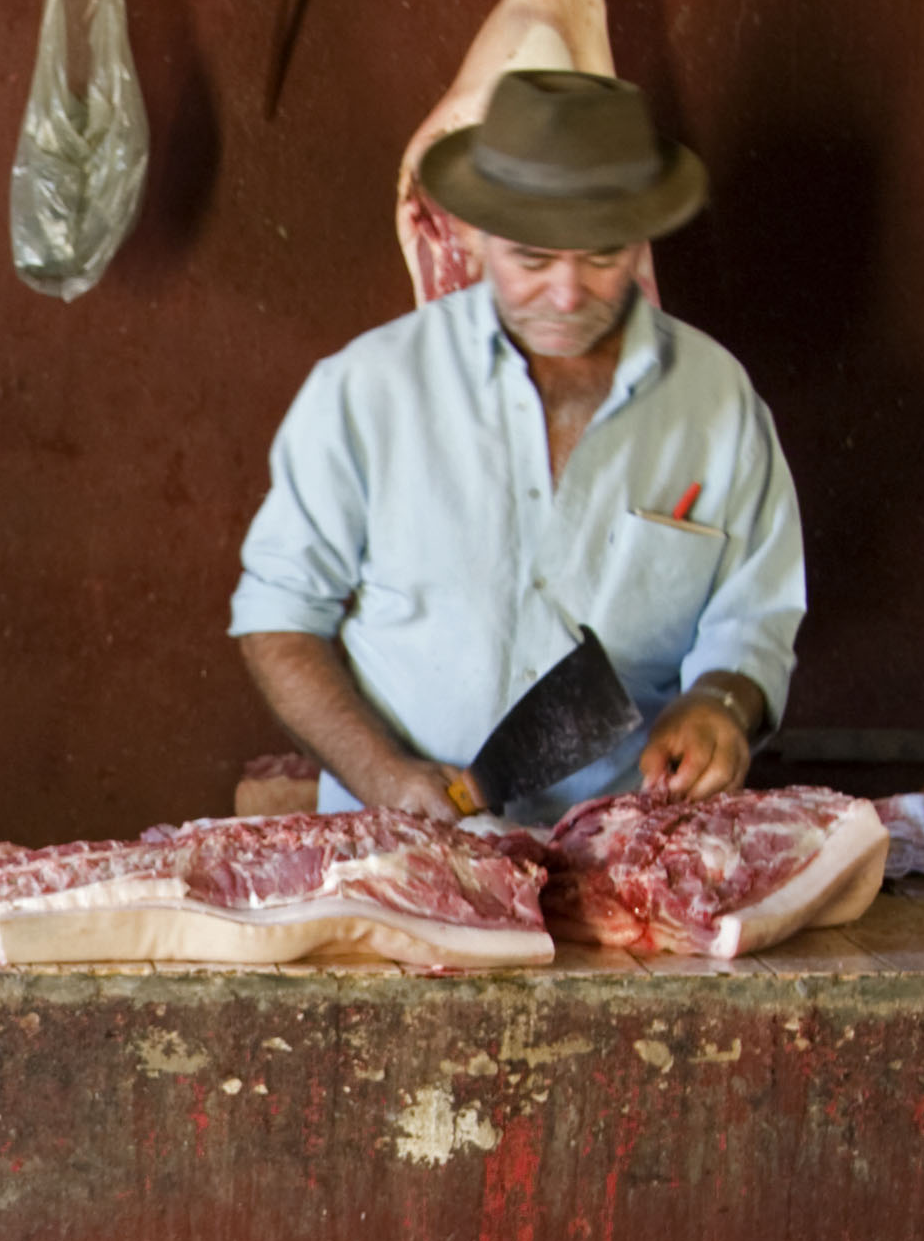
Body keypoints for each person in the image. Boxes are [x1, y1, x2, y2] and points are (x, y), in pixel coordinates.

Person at [229, 69, 806, 820]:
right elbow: (279, 618)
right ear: (472, 234)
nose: (567, 293)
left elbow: (755, 615)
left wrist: (721, 703)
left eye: (601, 256)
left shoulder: (715, 400)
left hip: (624, 858)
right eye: (532, 259)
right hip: (401, 854)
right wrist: (385, 776)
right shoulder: (368, 390)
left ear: (642, 239)